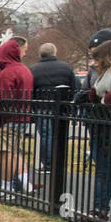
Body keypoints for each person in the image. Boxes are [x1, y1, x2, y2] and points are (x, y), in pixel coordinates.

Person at [0, 38, 34, 197]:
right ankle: (25, 184)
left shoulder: (8, 72)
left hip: (9, 119)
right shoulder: (24, 70)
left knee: (7, 153)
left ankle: (6, 187)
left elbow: (3, 99)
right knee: (16, 152)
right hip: (21, 117)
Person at [81, 39, 111, 221]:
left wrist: (110, 97)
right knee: (103, 169)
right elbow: (97, 92)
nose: (95, 63)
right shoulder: (105, 73)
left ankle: (100, 208)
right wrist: (88, 96)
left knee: (106, 170)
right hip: (101, 124)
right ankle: (99, 208)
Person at [30, 43, 77, 175]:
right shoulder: (66, 67)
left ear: (40, 54)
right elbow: (74, 87)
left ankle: (48, 164)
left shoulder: (34, 69)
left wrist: (34, 106)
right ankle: (59, 162)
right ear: (54, 53)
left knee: (45, 136)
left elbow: (30, 90)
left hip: (42, 106)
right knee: (60, 135)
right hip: (61, 107)